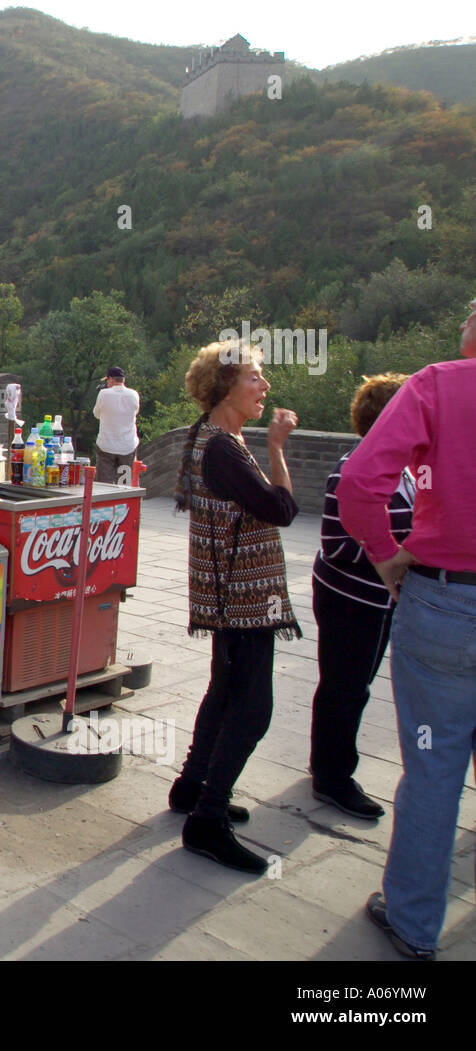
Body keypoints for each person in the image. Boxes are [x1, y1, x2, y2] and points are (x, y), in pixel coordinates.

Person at [337, 297, 476, 961]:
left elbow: (362, 478)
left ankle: (415, 921)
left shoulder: (440, 385)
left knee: (433, 769)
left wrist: (387, 553)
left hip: (447, 601)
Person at [170, 340, 300, 874]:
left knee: (224, 692)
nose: (264, 387)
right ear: (226, 387)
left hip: (224, 591)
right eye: (255, 377)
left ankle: (193, 785)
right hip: (243, 598)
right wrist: (276, 448)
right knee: (253, 708)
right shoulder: (226, 448)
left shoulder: (213, 436)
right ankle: (207, 820)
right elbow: (281, 508)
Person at [309, 374, 414, 820]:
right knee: (345, 686)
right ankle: (332, 777)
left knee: (353, 685)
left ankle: (327, 763)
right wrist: (407, 550)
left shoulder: (401, 468)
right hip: (352, 600)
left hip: (376, 600)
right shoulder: (354, 468)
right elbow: (338, 544)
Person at [93, 366, 140, 484]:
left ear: (111, 379)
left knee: (104, 484)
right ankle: (123, 501)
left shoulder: (103, 394)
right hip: (128, 445)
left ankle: (105, 502)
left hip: (106, 445)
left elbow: (97, 414)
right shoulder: (134, 395)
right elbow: (135, 413)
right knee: (125, 484)